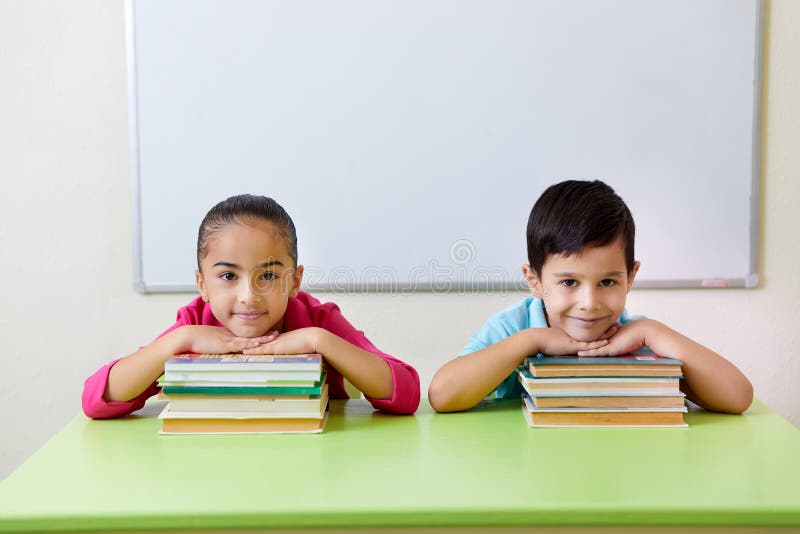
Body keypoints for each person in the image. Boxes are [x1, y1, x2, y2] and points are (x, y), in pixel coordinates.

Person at [428, 180, 752, 414]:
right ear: (535, 281)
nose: (590, 302)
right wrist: (531, 342)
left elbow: (738, 397)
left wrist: (652, 331)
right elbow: (443, 395)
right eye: (569, 282)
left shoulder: (635, 337)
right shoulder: (516, 327)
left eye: (608, 281)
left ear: (631, 277)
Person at [83, 194, 420, 417]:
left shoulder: (315, 319)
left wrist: (318, 340)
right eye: (228, 276)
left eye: (269, 276)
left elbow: (405, 392)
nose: (248, 296)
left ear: (295, 280)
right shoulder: (194, 323)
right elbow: (96, 399)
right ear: (202, 283)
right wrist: (178, 340)